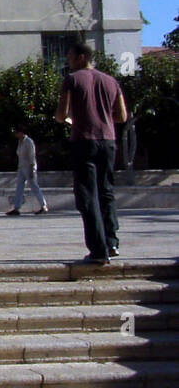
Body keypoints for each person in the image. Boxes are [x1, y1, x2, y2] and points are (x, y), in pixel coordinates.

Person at [55, 42, 128, 264]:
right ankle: (112, 241)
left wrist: (73, 119)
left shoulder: (72, 79)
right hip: (108, 141)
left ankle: (98, 249)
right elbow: (122, 116)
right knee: (106, 191)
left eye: (69, 55)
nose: (67, 60)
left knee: (87, 195)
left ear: (81, 57)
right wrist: (103, 118)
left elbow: (61, 114)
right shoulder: (111, 81)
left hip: (84, 141)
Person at [6, 126, 49, 215]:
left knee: (34, 186)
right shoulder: (20, 142)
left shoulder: (28, 142)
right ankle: (17, 208)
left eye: (17, 132)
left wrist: (32, 169)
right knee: (19, 187)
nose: (16, 134)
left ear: (21, 133)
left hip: (29, 167)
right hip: (21, 168)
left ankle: (43, 206)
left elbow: (32, 156)